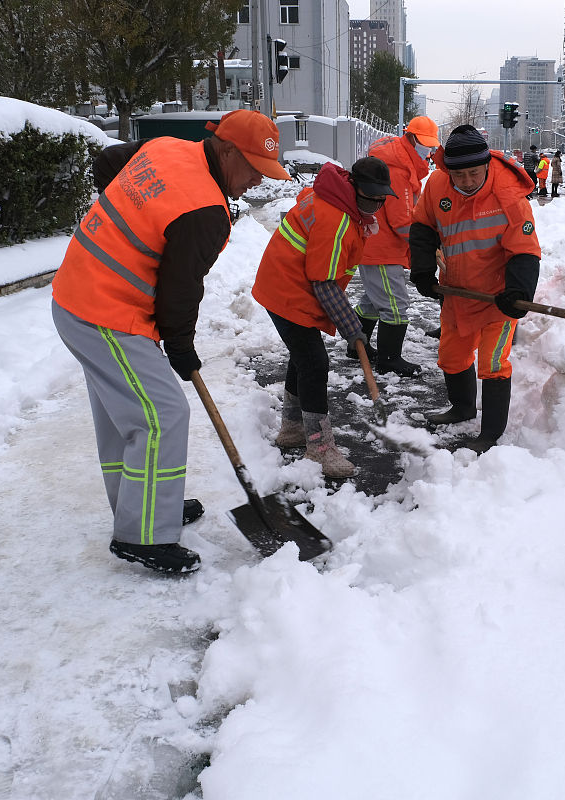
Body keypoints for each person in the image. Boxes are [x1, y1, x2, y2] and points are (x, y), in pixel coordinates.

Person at [51, 110, 291, 574]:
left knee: (123, 415)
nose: (255, 184)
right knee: (162, 414)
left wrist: (124, 221)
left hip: (76, 293)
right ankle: (143, 534)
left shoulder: (166, 149)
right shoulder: (205, 210)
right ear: (225, 150)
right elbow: (179, 291)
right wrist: (180, 347)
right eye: (252, 170)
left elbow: (107, 163)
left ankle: (142, 506)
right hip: (105, 311)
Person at [251, 156, 395, 478]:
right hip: (288, 291)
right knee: (314, 362)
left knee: (304, 357)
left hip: (287, 284)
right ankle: (319, 447)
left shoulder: (338, 200)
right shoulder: (336, 220)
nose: (374, 204)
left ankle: (292, 428)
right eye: (368, 197)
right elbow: (324, 282)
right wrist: (353, 329)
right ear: (354, 187)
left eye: (380, 198)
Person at [408, 124, 541, 453]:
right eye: (459, 175)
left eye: (473, 173)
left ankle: (490, 433)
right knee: (452, 357)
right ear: (446, 170)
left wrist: (519, 292)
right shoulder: (438, 184)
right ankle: (463, 407)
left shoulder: (508, 196)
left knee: (493, 364)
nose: (465, 181)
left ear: (486, 166)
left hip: (498, 297)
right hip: (457, 293)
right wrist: (423, 269)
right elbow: (423, 226)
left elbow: (525, 251)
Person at [346, 115, 440, 377]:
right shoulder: (397, 168)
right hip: (382, 249)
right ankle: (389, 359)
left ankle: (357, 347)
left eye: (431, 145)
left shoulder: (402, 162)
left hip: (378, 246)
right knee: (395, 304)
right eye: (425, 144)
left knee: (374, 301)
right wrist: (424, 244)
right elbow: (402, 222)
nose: (429, 151)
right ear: (410, 138)